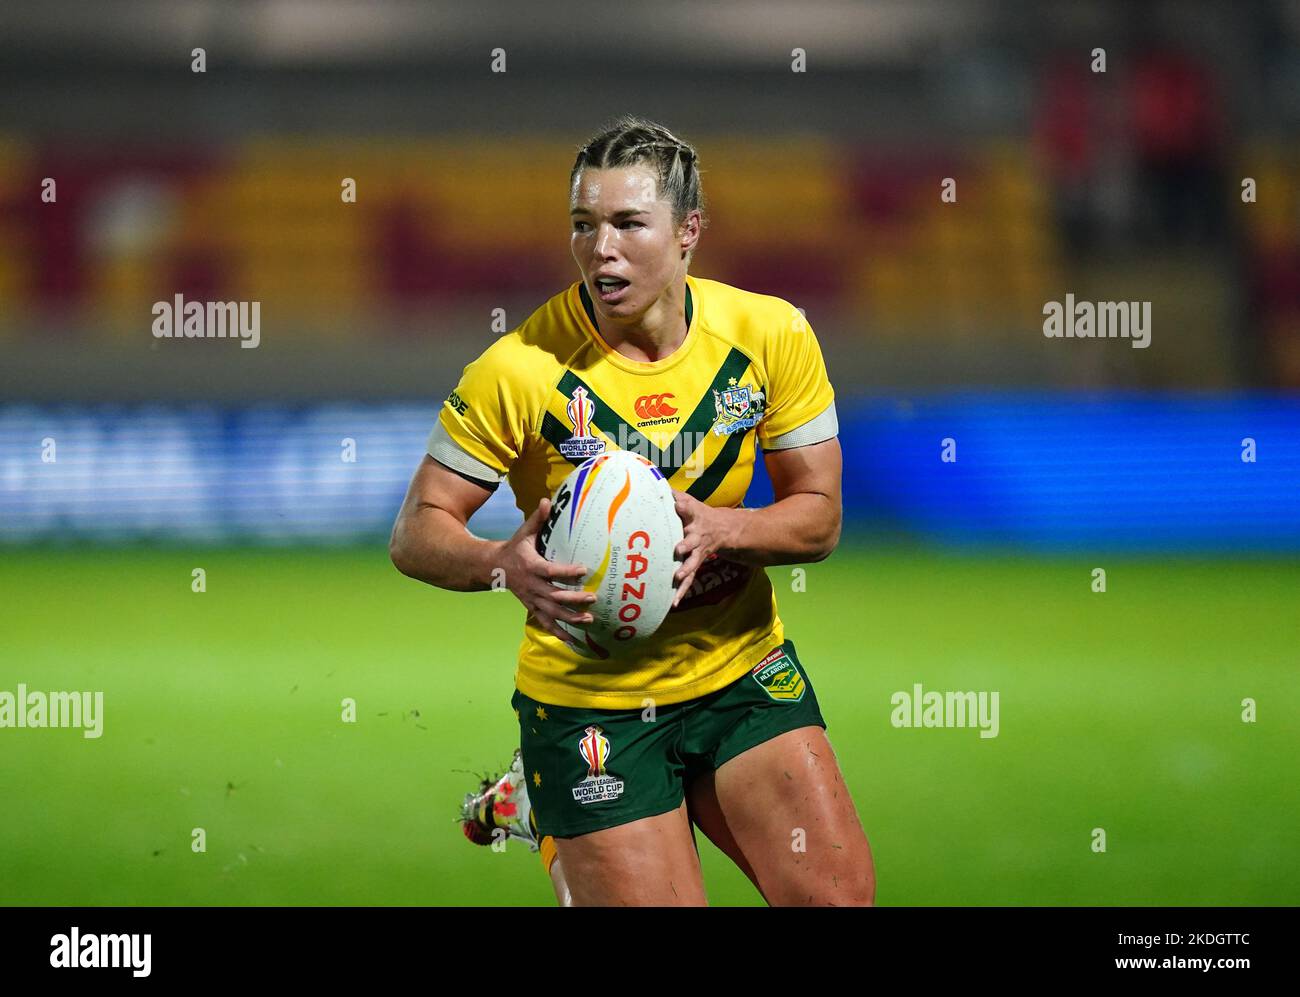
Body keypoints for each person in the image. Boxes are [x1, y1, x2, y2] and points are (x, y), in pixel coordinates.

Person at [391, 115, 874, 906]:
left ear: (687, 231)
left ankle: (531, 800)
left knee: (837, 898)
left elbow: (819, 517)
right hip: (593, 704)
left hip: (738, 671)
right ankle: (550, 795)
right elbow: (415, 531)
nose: (600, 247)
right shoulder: (517, 370)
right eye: (583, 224)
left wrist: (729, 529)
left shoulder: (771, 334)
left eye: (626, 223)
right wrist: (498, 564)